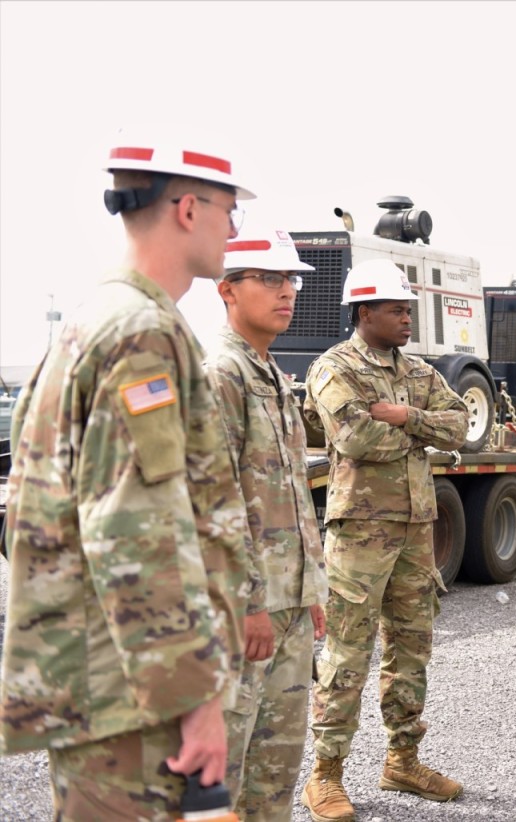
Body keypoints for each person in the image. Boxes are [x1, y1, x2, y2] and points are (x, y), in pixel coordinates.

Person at [0, 132, 253, 819]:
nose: (235, 230)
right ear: (188, 209)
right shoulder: (142, 331)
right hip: (135, 706)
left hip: (105, 683)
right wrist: (194, 700)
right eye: (230, 210)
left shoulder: (95, 318)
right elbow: (136, 531)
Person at [300, 257, 468, 821]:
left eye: (408, 310)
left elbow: (461, 426)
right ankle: (325, 775)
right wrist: (419, 434)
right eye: (397, 310)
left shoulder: (418, 372)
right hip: (361, 533)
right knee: (347, 652)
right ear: (364, 311)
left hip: (416, 528)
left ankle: (403, 761)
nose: (407, 319)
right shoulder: (334, 367)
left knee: (411, 647)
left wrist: (405, 417)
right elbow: (354, 439)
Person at [204, 226, 330, 820]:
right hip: (243, 611)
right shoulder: (219, 375)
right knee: (222, 775)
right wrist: (247, 602)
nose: (288, 291)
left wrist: (310, 590)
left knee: (274, 773)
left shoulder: (271, 373)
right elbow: (212, 501)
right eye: (271, 278)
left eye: (293, 280)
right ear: (227, 290)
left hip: (287, 602)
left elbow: (292, 494)